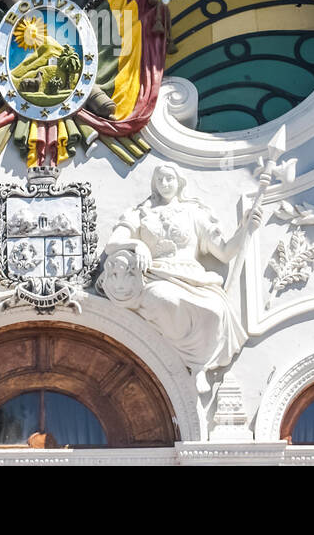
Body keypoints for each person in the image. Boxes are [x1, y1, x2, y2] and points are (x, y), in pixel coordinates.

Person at [99, 164, 257, 394]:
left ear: (179, 181)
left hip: (193, 277)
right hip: (159, 273)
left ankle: (198, 365)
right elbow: (113, 243)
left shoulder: (194, 213)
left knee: (215, 310)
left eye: (169, 178)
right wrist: (137, 244)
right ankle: (177, 360)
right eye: (160, 179)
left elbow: (223, 252)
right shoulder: (141, 213)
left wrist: (246, 228)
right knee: (161, 296)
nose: (164, 183)